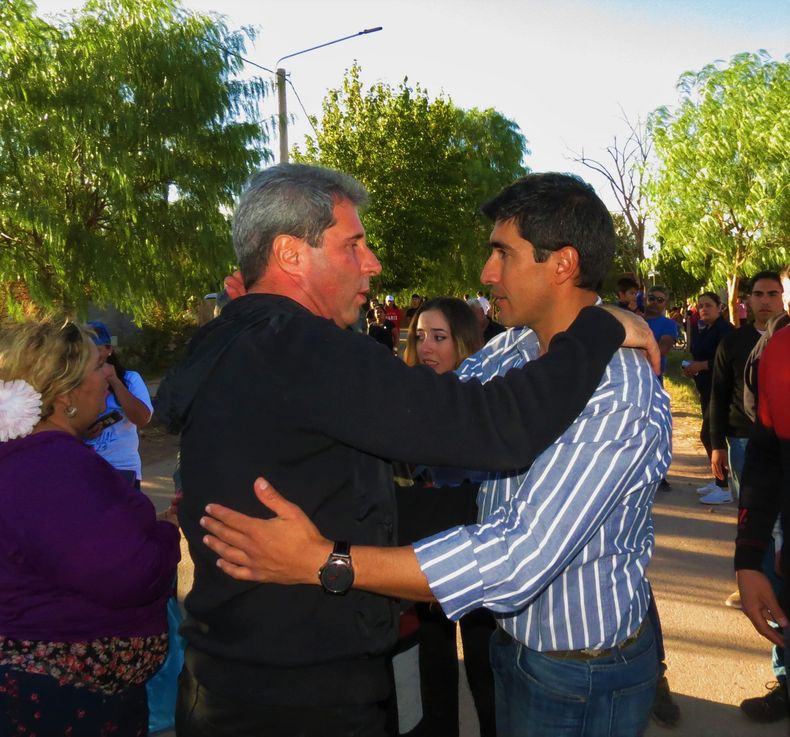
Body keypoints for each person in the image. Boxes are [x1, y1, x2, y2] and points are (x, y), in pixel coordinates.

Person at [155, 164, 659, 737]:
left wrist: (324, 557)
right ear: (291, 254)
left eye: (502, 252)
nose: (371, 263)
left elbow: (380, 493)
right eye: (353, 245)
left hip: (265, 675)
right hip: (282, 693)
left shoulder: (250, 342)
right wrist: (599, 329)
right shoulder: (301, 349)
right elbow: (494, 425)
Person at [0, 318, 180, 736]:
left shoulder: (28, 458)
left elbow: (72, 549)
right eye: (97, 367)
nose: (106, 374)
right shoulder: (54, 467)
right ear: (66, 395)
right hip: (70, 698)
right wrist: (167, 531)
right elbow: (129, 575)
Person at [402, 297, 495, 737]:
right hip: (424, 554)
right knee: (433, 668)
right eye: (420, 336)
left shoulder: (484, 399)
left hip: (479, 554)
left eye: (439, 337)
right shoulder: (409, 395)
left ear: (464, 341)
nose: (426, 347)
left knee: (485, 666)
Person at [84, 320, 153, 489]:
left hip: (123, 468)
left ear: (109, 349)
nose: (90, 355)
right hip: (85, 468)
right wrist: (82, 433)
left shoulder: (130, 379)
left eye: (96, 349)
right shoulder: (74, 382)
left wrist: (114, 381)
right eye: (85, 350)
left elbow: (142, 418)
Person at [683, 291, 734, 504]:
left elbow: (727, 361)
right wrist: (692, 368)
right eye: (700, 306)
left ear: (719, 307)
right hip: (705, 388)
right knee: (709, 435)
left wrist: (702, 365)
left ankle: (724, 487)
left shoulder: (725, 330)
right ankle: (718, 479)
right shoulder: (703, 328)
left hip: (720, 390)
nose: (703, 309)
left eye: (708, 305)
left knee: (710, 435)